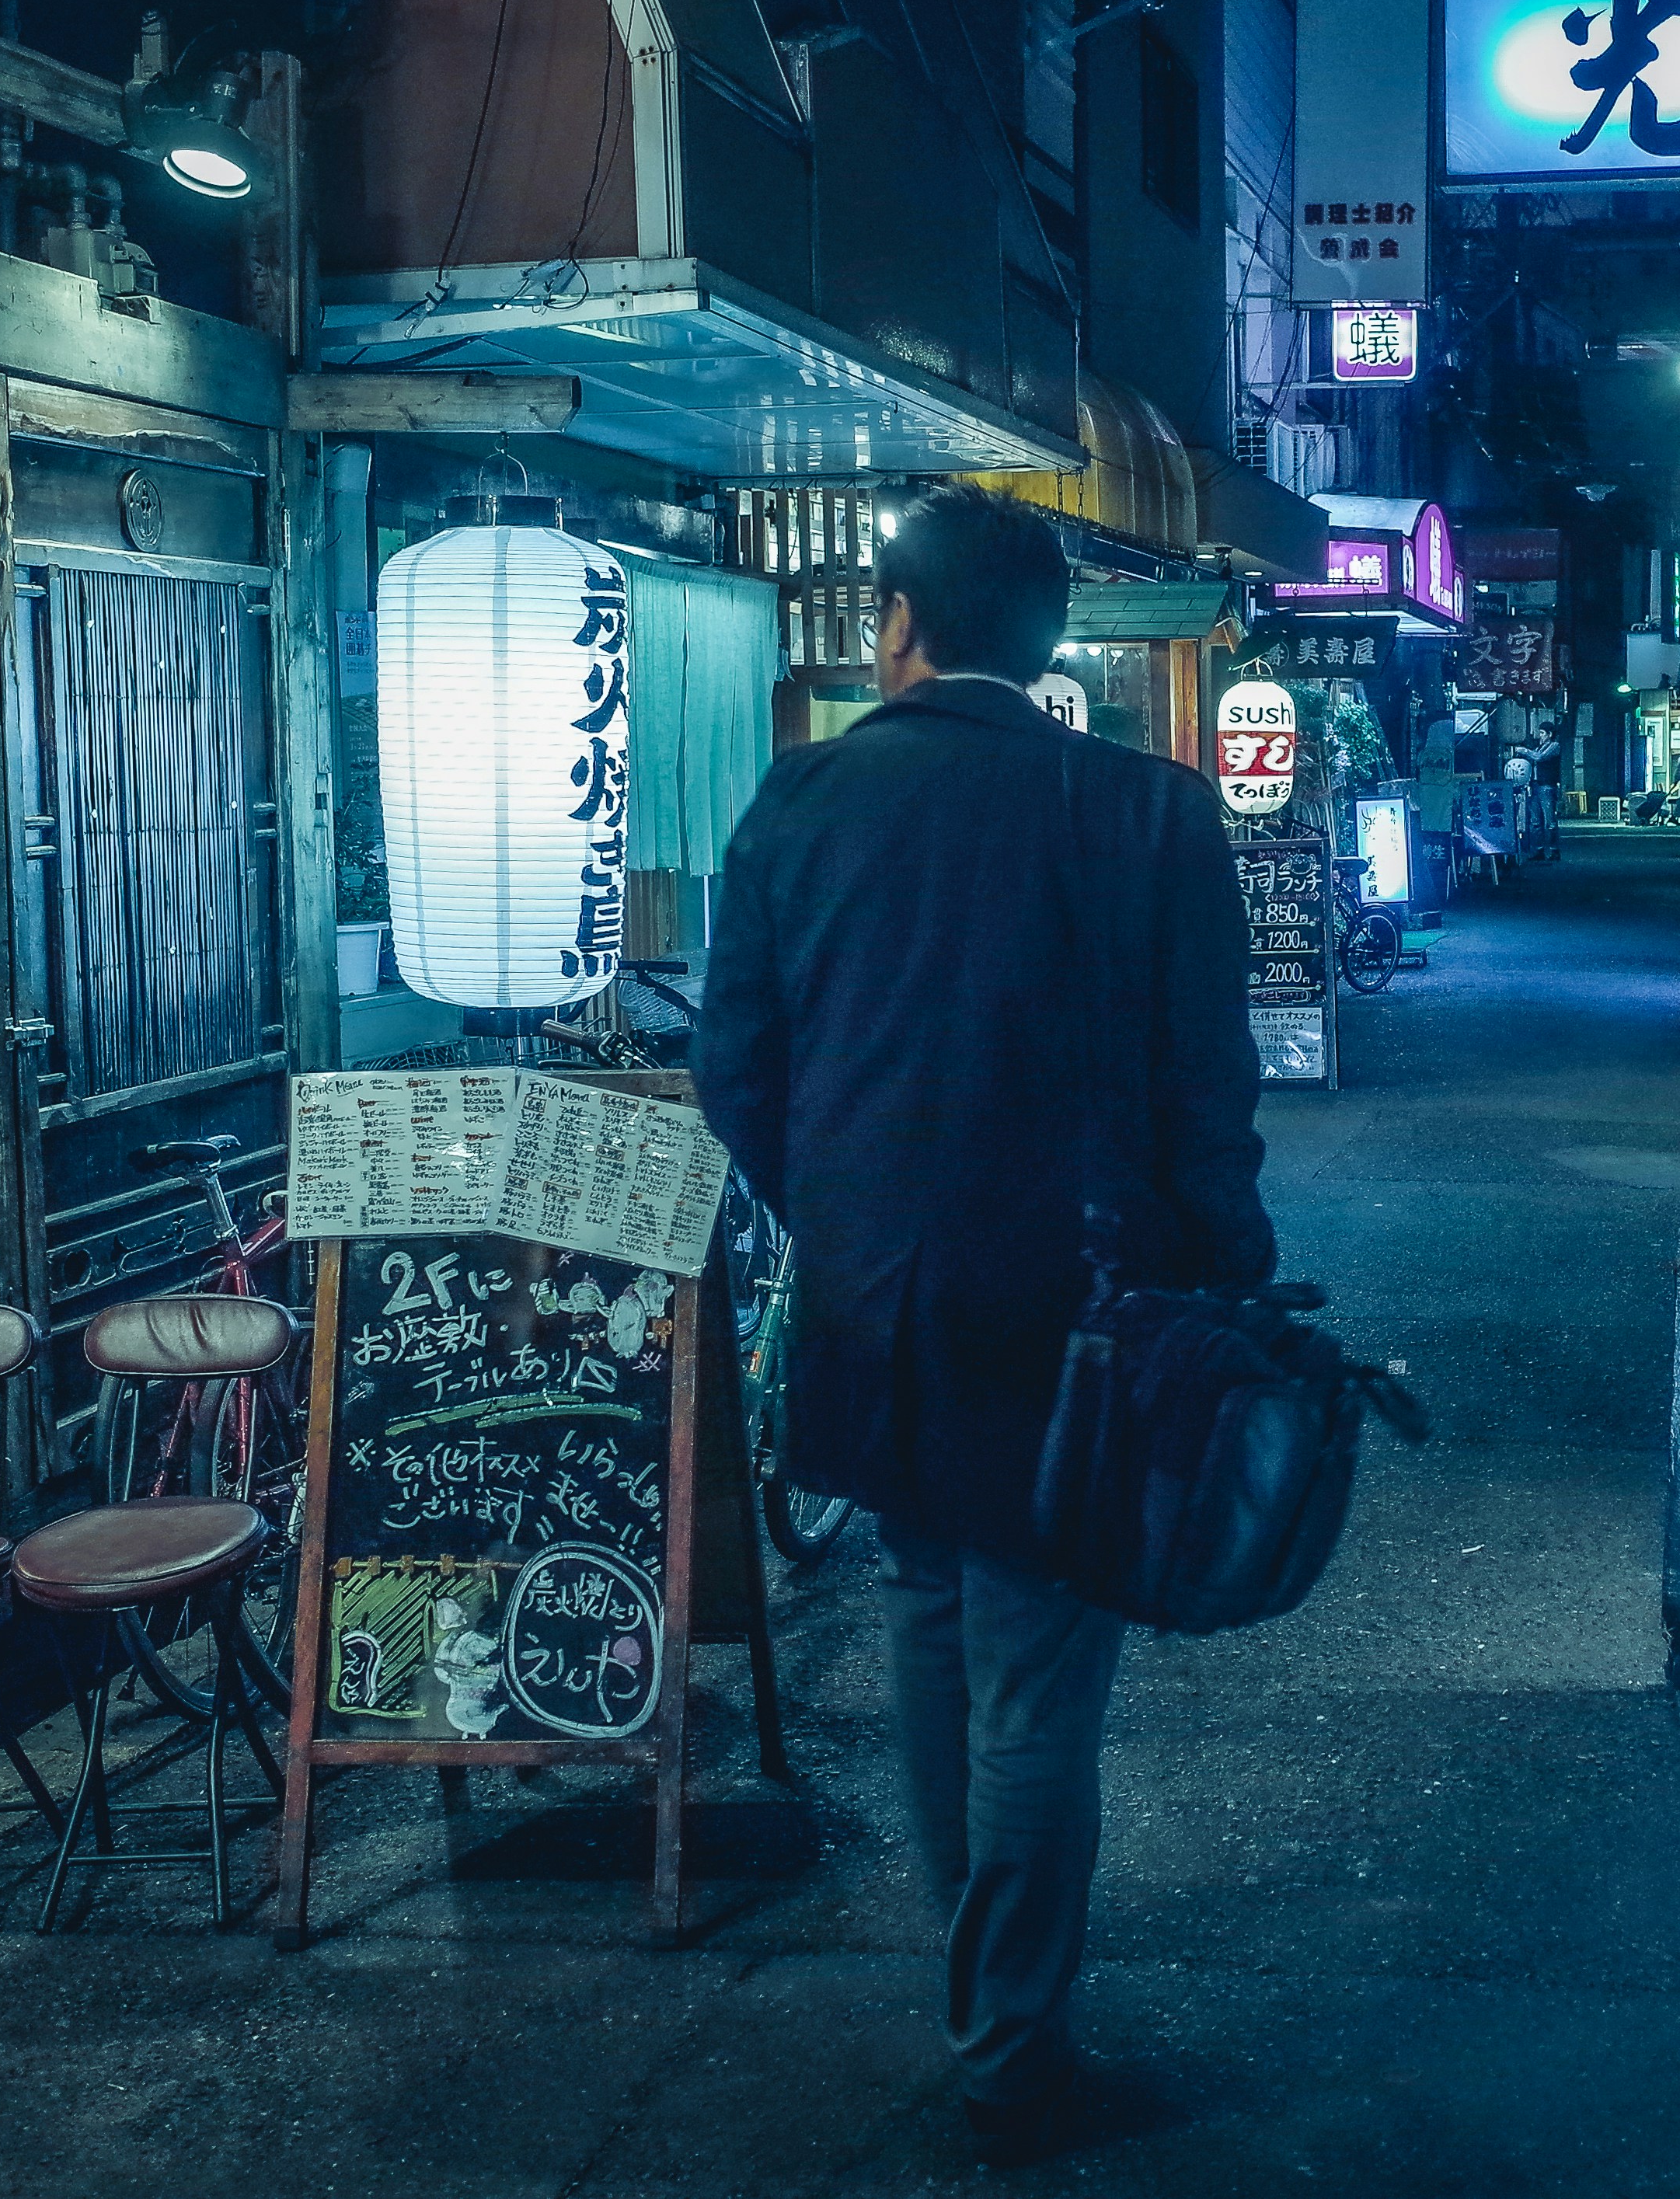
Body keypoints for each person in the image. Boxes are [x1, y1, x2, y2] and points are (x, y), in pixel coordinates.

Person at [696, 485, 1274, 2166]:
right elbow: (1209, 1090)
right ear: (1047, 642)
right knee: (1034, 1660)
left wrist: (848, 1210)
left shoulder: (801, 799)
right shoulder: (1148, 813)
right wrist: (1223, 1276)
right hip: (1086, 1313)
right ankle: (1010, 2045)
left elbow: (737, 1067)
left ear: (899, 621)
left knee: (930, 1606)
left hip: (881, 1305)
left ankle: (982, 1987)